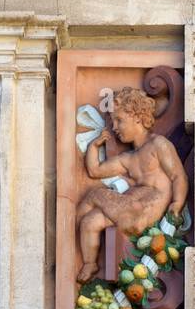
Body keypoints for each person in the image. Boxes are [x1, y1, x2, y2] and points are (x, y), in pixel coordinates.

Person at [75, 87, 188, 282]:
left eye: (119, 120)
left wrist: (177, 204)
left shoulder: (158, 145)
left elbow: (178, 176)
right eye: (112, 122)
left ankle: (70, 233)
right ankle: (90, 263)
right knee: (90, 221)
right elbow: (95, 171)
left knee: (95, 195)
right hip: (129, 212)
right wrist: (94, 146)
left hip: (143, 213)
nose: (115, 127)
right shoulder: (128, 158)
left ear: (137, 116)